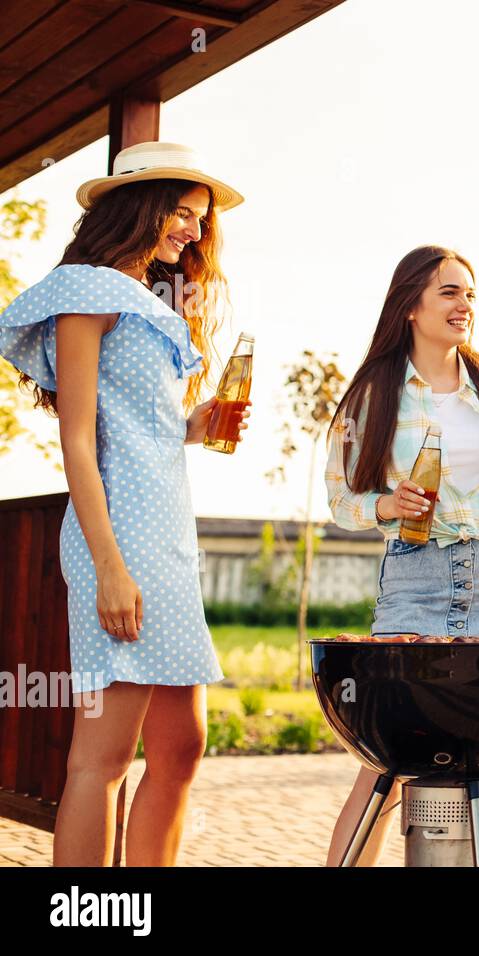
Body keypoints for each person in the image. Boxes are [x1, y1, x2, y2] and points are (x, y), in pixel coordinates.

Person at [0, 141, 249, 865]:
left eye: (200, 220)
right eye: (180, 212)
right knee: (102, 757)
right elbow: (79, 440)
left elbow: (140, 427)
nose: (193, 232)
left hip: (166, 541)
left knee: (181, 749)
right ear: (135, 208)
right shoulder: (85, 290)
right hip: (123, 543)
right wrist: (108, 567)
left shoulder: (145, 297)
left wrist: (193, 425)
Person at [322, 245, 479, 866]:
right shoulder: (372, 393)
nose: (465, 305)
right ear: (411, 306)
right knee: (386, 763)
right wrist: (387, 507)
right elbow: (341, 497)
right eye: (450, 292)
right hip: (413, 580)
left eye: (470, 294)